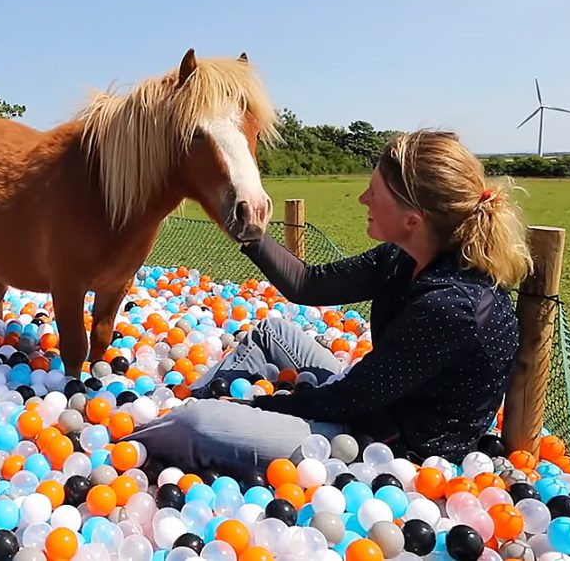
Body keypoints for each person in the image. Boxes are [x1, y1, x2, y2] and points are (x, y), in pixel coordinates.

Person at [123, 130, 533, 476]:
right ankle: (195, 396)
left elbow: (349, 399)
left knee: (192, 424)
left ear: (414, 218)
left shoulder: (451, 305)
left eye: (374, 193)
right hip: (376, 402)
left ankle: (134, 440)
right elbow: (308, 284)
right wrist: (246, 231)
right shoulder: (403, 256)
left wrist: (260, 405)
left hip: (394, 452)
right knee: (272, 331)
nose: (361, 200)